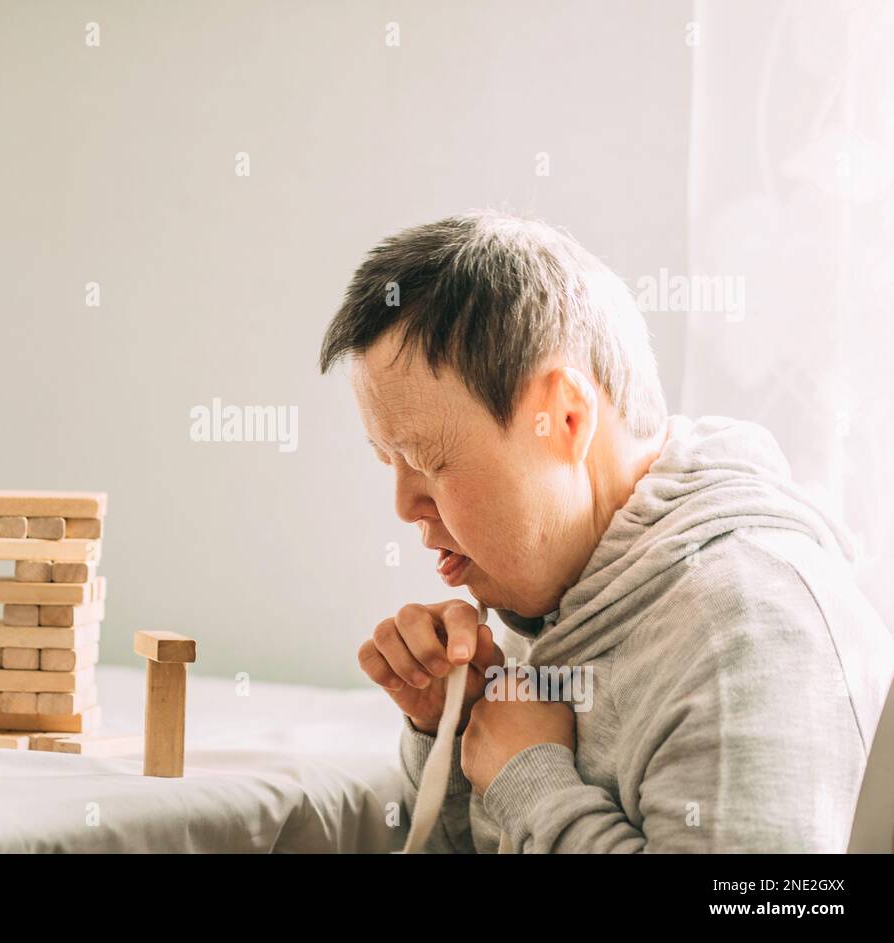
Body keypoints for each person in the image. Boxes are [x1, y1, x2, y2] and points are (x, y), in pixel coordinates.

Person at [319, 211, 894, 852]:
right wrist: (449, 736)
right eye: (387, 462)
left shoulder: (749, 630)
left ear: (565, 418)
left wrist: (530, 783)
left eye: (430, 460)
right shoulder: (559, 603)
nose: (403, 505)